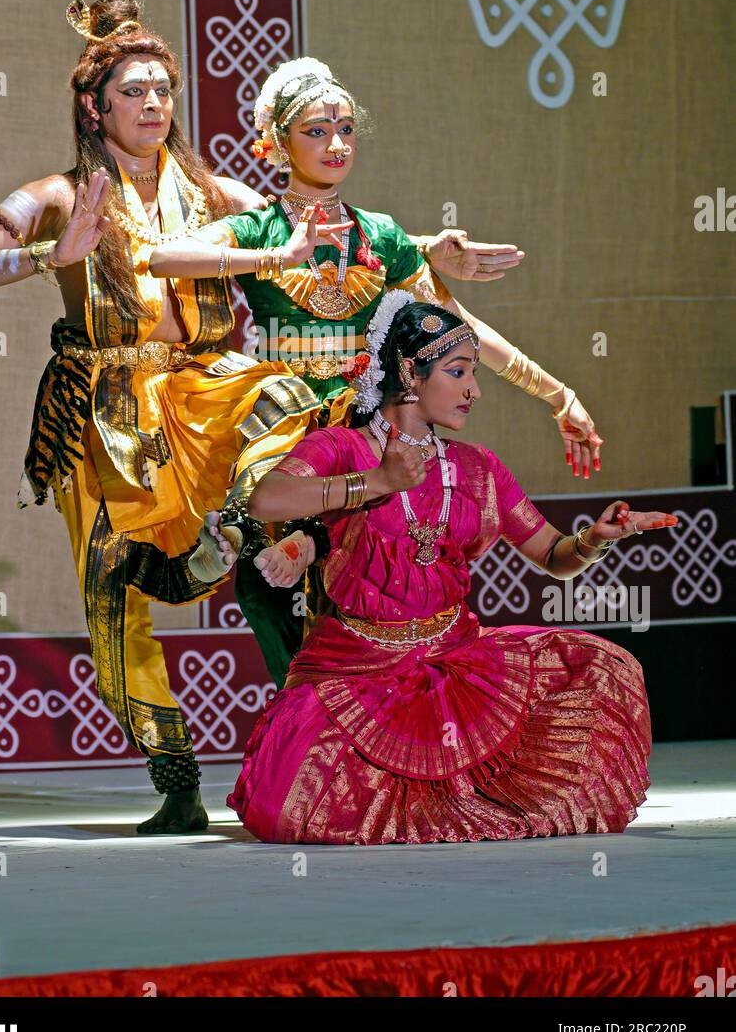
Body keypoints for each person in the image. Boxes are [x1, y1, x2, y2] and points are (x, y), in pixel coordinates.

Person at [0, 0, 348, 834]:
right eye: (135, 90)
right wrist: (49, 256)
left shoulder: (219, 196)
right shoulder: (55, 195)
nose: (155, 102)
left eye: (164, 88)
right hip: (105, 411)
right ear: (96, 107)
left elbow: (343, 238)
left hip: (201, 387)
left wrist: (429, 250)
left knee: (280, 394)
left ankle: (245, 541)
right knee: (115, 592)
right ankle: (177, 777)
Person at [125, 56, 604, 684]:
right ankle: (305, 724)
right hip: (285, 433)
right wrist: (274, 256)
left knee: (369, 591)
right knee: (266, 586)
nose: (336, 144)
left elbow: (459, 327)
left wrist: (557, 393)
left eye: (346, 129)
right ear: (276, 143)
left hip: (368, 431)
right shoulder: (259, 227)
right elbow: (158, 257)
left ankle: (375, 740)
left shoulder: (382, 235)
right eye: (316, 132)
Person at [225, 296, 675, 845]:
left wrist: (596, 539)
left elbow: (554, 555)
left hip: (454, 660)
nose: (474, 391)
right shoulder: (340, 447)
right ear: (411, 372)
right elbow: (267, 499)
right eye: (458, 373)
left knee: (603, 668)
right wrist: (375, 484)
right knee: (287, 808)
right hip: (356, 668)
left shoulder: (476, 467)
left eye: (475, 375)